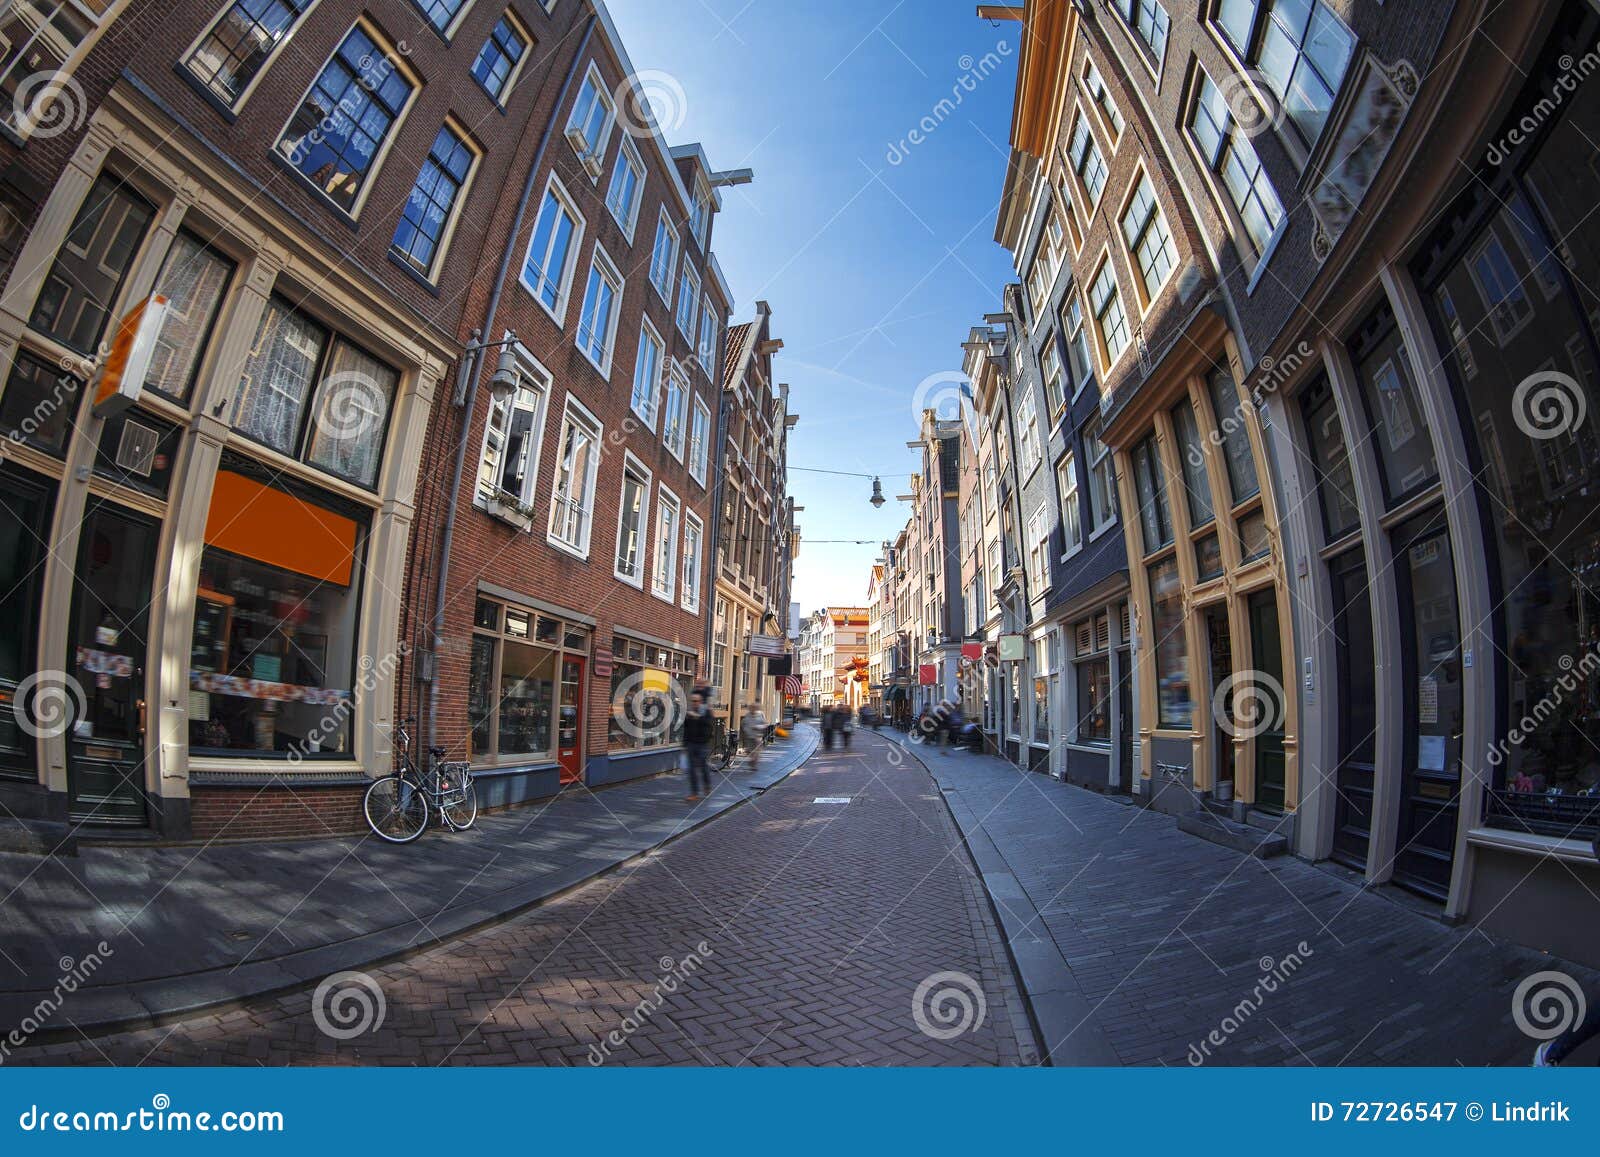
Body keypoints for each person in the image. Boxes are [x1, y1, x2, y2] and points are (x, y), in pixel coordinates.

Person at [682, 690, 713, 802]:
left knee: (703, 766)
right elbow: (685, 729)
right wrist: (684, 744)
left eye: (696, 701)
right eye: (692, 701)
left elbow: (709, 726)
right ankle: (694, 793)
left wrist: (697, 717)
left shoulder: (706, 712)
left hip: (702, 744)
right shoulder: (689, 713)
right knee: (691, 769)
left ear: (700, 702)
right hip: (691, 744)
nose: (694, 703)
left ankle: (707, 785)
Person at [741, 704, 768, 772]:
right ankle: (752, 761)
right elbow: (743, 723)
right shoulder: (747, 715)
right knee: (750, 751)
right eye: (751, 708)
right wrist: (745, 730)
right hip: (749, 735)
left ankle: (754, 764)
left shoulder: (761, 714)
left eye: (753, 708)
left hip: (757, 736)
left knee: (757, 751)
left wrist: (758, 727)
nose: (752, 710)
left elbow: (765, 724)